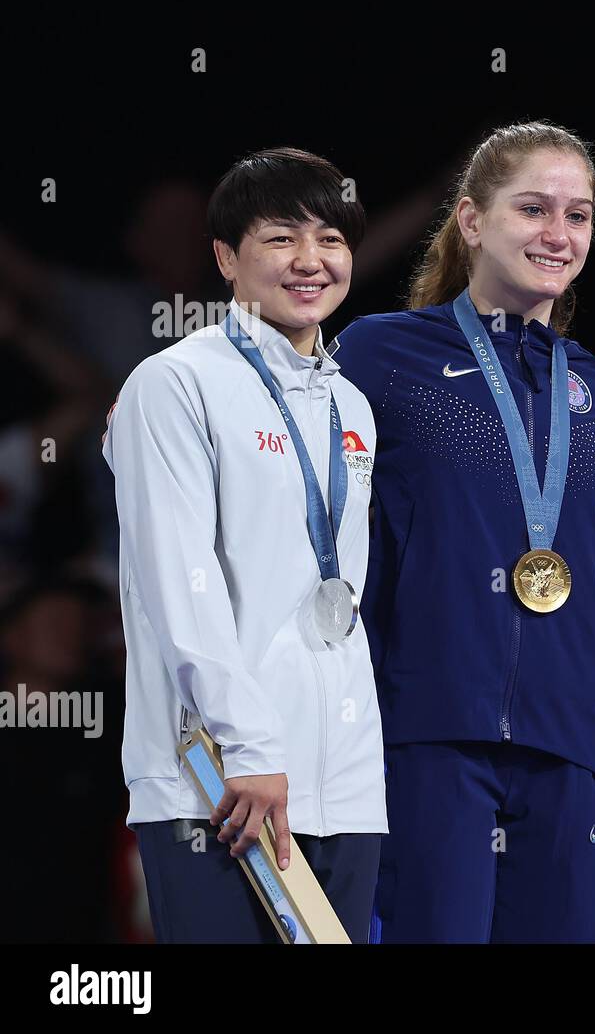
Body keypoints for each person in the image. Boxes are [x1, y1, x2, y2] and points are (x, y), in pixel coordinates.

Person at [332, 122, 595, 944]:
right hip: (429, 727)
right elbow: (294, 472)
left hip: (571, 739)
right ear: (471, 220)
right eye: (533, 208)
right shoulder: (379, 355)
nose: (558, 233)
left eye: (578, 214)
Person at [103, 147, 387, 943]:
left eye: (331, 239)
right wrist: (249, 746)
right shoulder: (174, 383)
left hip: (346, 781)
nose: (311, 260)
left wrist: (363, 772)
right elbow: (179, 583)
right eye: (281, 238)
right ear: (227, 257)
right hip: (219, 782)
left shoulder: (353, 407)